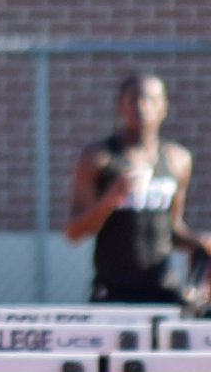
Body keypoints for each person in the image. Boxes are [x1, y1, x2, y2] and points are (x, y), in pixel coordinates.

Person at [65, 73, 201, 305]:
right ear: (121, 106)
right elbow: (74, 231)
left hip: (162, 290)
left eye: (150, 99)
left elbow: (172, 229)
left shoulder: (178, 160)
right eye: (135, 99)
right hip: (113, 292)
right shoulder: (99, 158)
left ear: (164, 107)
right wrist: (111, 198)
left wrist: (200, 243)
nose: (142, 106)